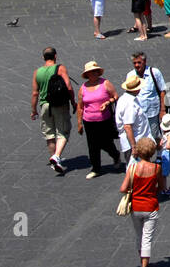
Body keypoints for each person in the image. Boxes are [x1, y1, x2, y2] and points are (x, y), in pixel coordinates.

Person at [119, 137, 162, 267]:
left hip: (136, 207)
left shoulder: (132, 168)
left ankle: (142, 261)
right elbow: (161, 187)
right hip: (151, 206)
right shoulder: (156, 168)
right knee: (147, 238)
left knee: (139, 236)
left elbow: (123, 189)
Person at [31, 47, 74, 175]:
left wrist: (33, 110)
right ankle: (57, 156)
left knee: (49, 134)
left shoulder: (37, 72)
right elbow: (68, 86)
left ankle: (55, 161)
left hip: (45, 106)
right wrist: (73, 102)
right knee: (63, 132)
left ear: (43, 58)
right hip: (59, 104)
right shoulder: (60, 68)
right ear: (55, 56)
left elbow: (34, 93)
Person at [76, 61, 121, 179]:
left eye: (95, 71)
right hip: (89, 121)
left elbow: (116, 96)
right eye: (91, 72)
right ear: (87, 74)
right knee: (92, 145)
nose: (94, 73)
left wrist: (108, 102)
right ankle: (96, 168)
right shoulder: (83, 88)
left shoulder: (105, 83)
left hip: (104, 120)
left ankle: (115, 155)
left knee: (106, 142)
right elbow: (80, 106)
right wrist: (79, 123)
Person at [129, 52, 168, 145]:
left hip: (152, 111)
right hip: (138, 113)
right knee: (140, 136)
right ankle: (145, 156)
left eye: (139, 62)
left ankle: (159, 155)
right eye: (134, 63)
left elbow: (162, 90)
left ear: (145, 61)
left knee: (155, 134)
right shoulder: (130, 75)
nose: (137, 65)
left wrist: (163, 109)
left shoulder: (154, 72)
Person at [116, 75, 151, 164]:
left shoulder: (124, 98)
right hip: (135, 144)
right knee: (136, 173)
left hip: (138, 142)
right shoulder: (130, 104)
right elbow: (127, 126)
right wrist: (134, 147)